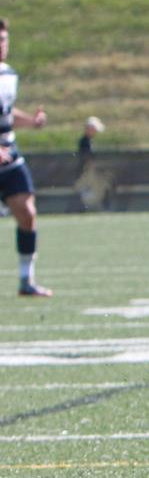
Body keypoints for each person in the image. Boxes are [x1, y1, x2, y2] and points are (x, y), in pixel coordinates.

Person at [0, 18, 52, 297]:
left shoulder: (8, 75)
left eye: (4, 40)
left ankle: (26, 280)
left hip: (8, 154)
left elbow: (5, 114)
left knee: (27, 213)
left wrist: (31, 121)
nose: (1, 46)